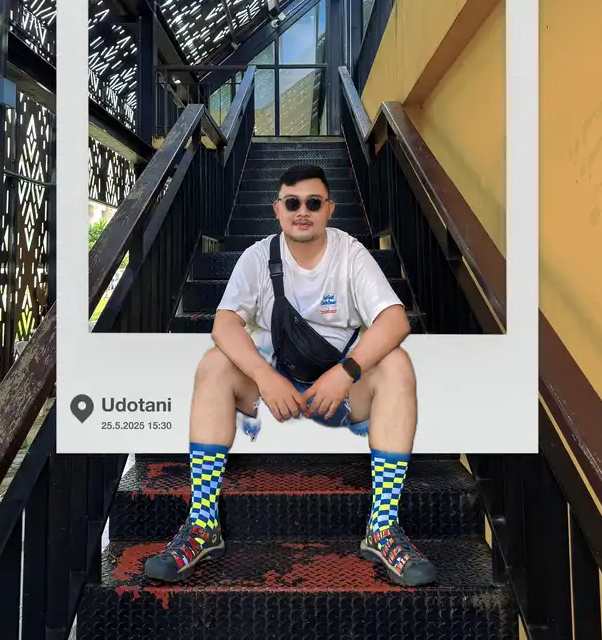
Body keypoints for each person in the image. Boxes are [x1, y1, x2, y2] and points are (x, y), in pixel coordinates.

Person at [144, 164, 436, 587]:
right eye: (292, 202)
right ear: (277, 209)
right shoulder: (257, 256)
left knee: (397, 364)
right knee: (214, 363)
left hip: (339, 391)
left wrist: (346, 372)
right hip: (270, 389)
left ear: (329, 209)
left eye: (313, 203)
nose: (303, 211)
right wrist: (264, 376)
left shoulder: (350, 253)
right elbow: (224, 324)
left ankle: (383, 527)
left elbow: (394, 320)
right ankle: (203, 523)